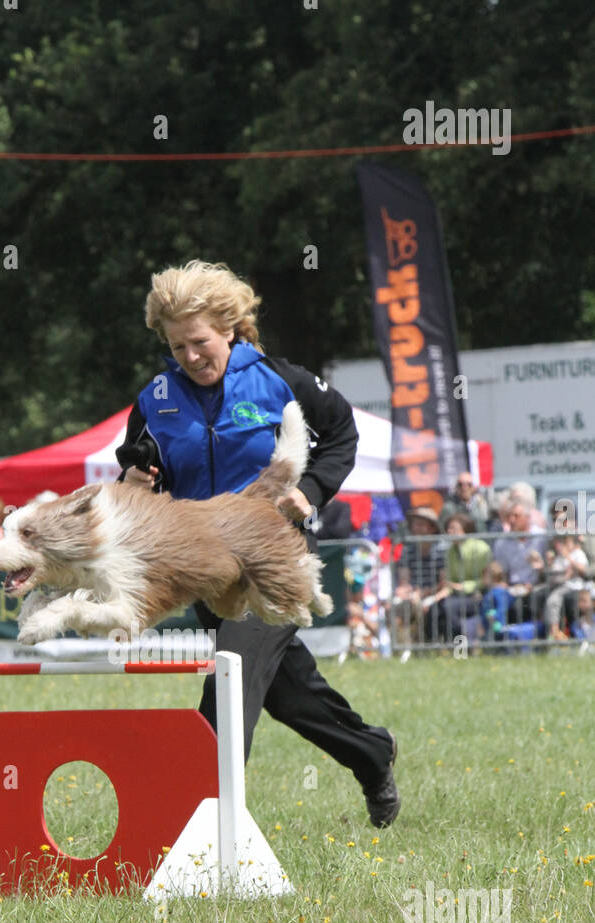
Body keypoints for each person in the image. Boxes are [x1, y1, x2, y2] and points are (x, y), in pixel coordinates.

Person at [114, 259, 399, 827]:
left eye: (199, 343)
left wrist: (312, 491)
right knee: (289, 694)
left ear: (228, 329)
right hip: (205, 568)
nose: (190, 358)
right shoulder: (156, 398)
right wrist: (134, 482)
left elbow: (341, 431)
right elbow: (136, 467)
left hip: (274, 560)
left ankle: (198, 823)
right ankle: (371, 752)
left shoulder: (278, 379)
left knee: (232, 675)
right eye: (177, 347)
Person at [391, 507, 446, 645]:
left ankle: (424, 645)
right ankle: (400, 647)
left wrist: (424, 593)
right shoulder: (407, 550)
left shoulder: (442, 550)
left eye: (421, 525)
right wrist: (407, 592)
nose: (416, 528)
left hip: (436, 594)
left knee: (426, 608)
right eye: (415, 524)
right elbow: (404, 580)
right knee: (392, 607)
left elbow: (444, 582)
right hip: (414, 594)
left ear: (432, 528)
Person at [436, 513, 493, 641]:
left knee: (449, 606)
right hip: (458, 595)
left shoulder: (480, 548)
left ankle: (461, 645)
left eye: (453, 528)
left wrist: (464, 587)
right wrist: (442, 593)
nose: (449, 531)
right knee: (437, 606)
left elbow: (486, 579)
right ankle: (438, 648)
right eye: (448, 528)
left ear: (465, 529)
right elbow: (450, 581)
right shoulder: (451, 552)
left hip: (479, 594)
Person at [491, 502, 548, 622]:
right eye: (509, 516)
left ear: (527, 518)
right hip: (512, 587)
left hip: (537, 586)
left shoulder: (542, 538)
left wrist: (541, 570)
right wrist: (504, 584)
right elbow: (501, 572)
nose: (512, 520)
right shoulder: (502, 542)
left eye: (516, 516)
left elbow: (548, 569)